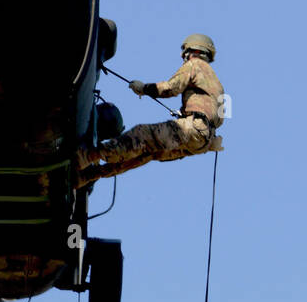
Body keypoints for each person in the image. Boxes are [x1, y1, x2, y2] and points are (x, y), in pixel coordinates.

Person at [77, 33, 224, 187]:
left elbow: (171, 88)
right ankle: (87, 176)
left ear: (192, 51)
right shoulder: (220, 87)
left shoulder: (195, 65)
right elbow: (219, 118)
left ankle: (87, 156)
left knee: (142, 135)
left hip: (193, 128)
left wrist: (144, 88)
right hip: (203, 142)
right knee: (146, 153)